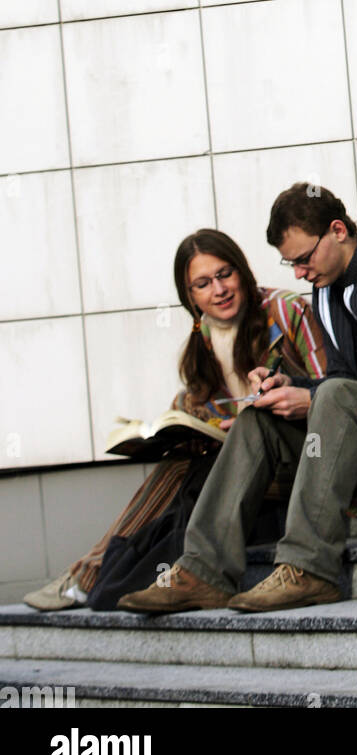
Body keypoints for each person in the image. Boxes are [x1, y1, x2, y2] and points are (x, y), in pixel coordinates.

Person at [117, 184, 357, 614]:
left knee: (332, 394)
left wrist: (318, 397)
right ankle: (204, 571)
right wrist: (290, 389)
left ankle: (309, 569)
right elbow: (342, 381)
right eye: (289, 263)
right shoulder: (327, 291)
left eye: (304, 258)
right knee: (261, 416)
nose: (298, 273)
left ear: (338, 231)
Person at [24, 228, 326, 612]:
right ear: (190, 297)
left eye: (225, 274)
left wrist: (260, 417)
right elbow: (203, 410)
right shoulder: (201, 346)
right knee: (184, 459)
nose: (219, 290)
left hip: (306, 463)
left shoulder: (284, 311)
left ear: (243, 273)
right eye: (203, 283)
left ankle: (88, 573)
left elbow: (329, 391)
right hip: (245, 480)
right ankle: (104, 572)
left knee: (184, 474)